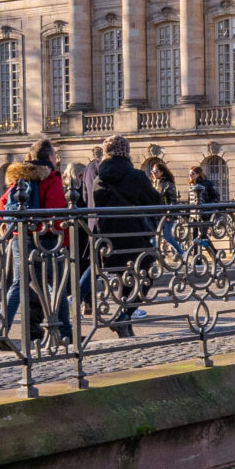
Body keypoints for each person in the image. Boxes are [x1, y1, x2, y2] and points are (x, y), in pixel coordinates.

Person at [0, 140, 68, 348]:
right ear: (49, 157)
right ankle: (65, 332)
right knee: (57, 285)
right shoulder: (50, 177)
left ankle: (1, 330)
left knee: (18, 285)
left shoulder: (20, 176)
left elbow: (2, 204)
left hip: (20, 237)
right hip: (46, 240)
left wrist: (14, 228)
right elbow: (57, 210)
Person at [90, 135, 160, 335]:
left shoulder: (98, 178)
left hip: (108, 238)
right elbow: (155, 202)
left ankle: (125, 324)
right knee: (145, 274)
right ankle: (124, 316)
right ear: (126, 152)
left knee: (123, 278)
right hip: (134, 234)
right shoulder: (135, 176)